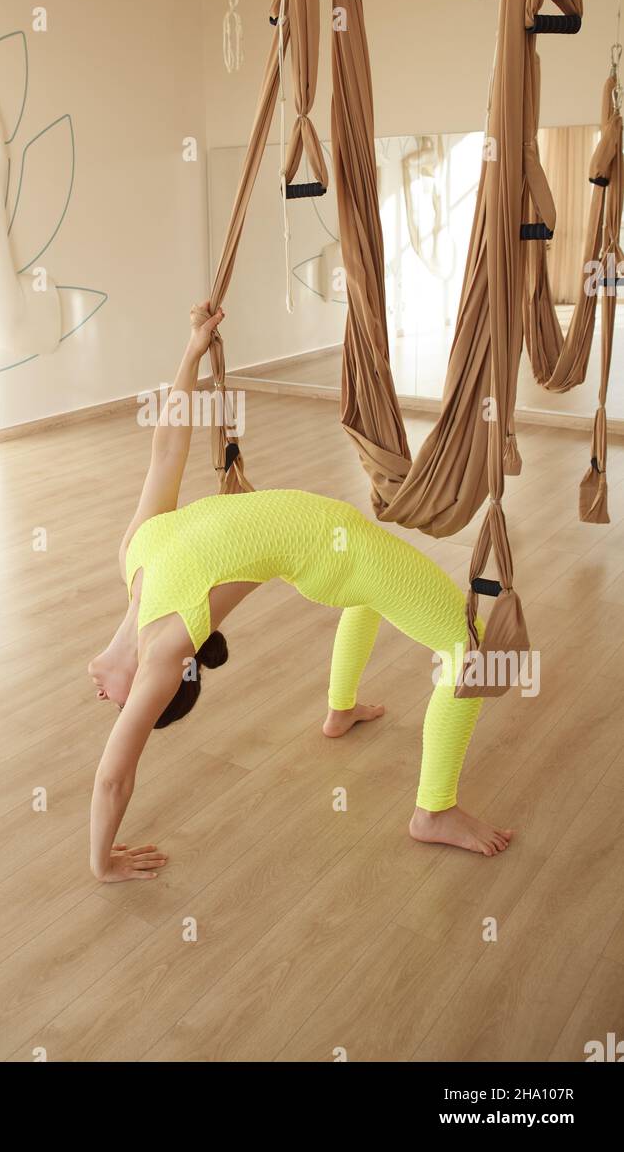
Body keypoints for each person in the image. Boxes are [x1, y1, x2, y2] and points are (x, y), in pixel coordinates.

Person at [88, 302, 514, 882]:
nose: (108, 701)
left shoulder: (132, 557)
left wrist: (192, 350)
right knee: (472, 650)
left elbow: (165, 449)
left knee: (370, 593)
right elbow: (114, 778)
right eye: (123, 706)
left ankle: (340, 710)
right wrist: (102, 863)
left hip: (329, 553)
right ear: (154, 689)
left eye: (118, 706)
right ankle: (433, 811)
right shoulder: (165, 650)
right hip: (337, 549)